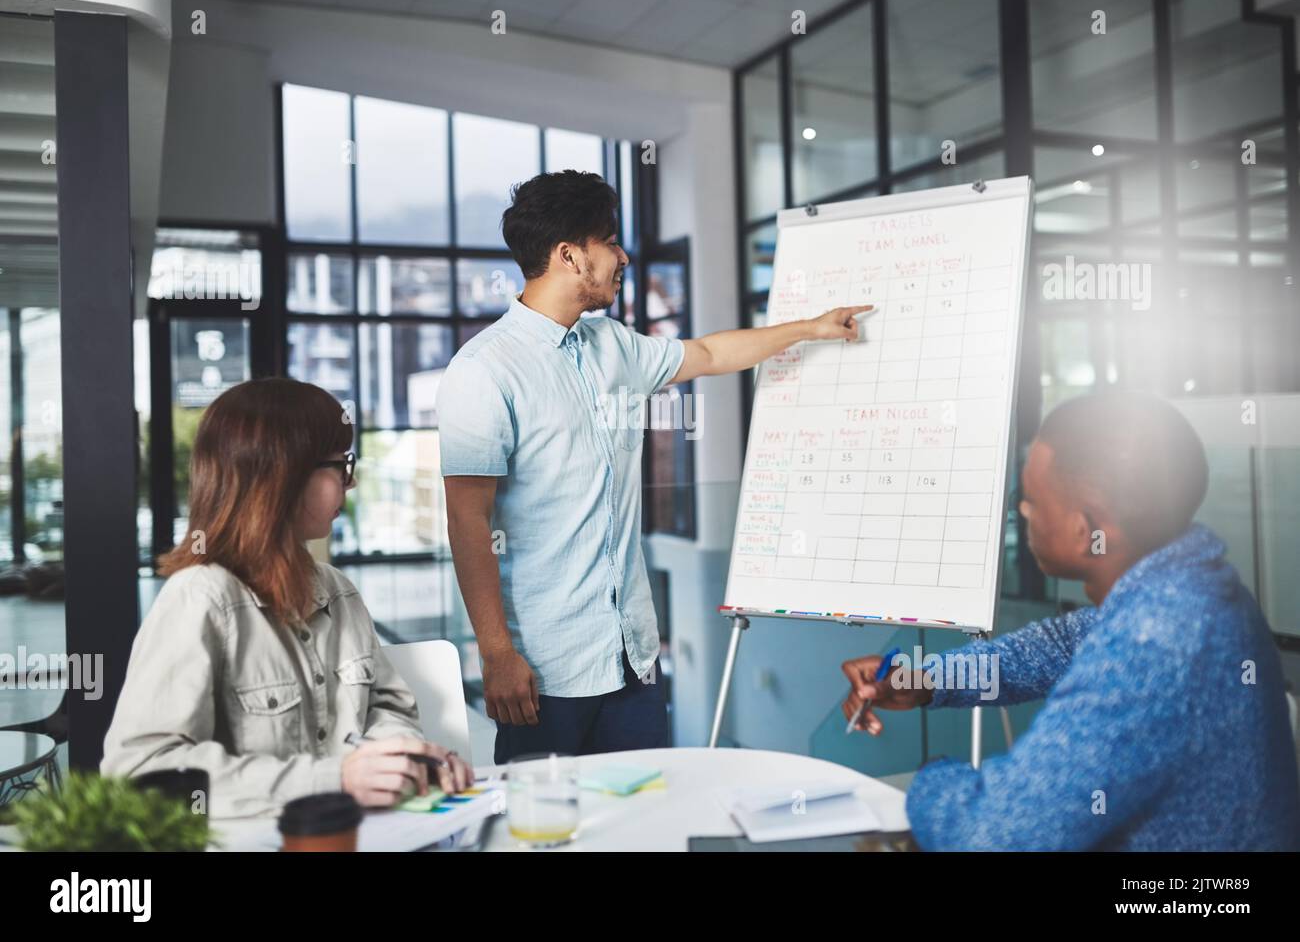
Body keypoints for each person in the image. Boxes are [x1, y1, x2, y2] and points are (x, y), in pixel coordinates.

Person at [437, 169, 871, 762]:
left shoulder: (612, 345)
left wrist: (812, 328)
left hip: (632, 659)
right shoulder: (484, 370)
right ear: (569, 255)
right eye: (609, 243)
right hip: (544, 671)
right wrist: (494, 652)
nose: (622, 256)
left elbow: (712, 353)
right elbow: (467, 519)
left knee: (645, 823)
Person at [840, 391, 1300, 850]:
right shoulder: (1187, 585)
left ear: (1087, 530)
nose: (1021, 512)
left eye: (1033, 502)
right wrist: (925, 679)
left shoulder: (1157, 642)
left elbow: (995, 835)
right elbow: (1052, 650)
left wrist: (928, 777)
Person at [102, 378, 473, 818]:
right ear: (285, 477)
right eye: (340, 465)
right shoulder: (199, 601)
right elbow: (139, 775)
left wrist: (395, 762)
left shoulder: (338, 591)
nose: (349, 483)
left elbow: (387, 706)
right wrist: (336, 780)